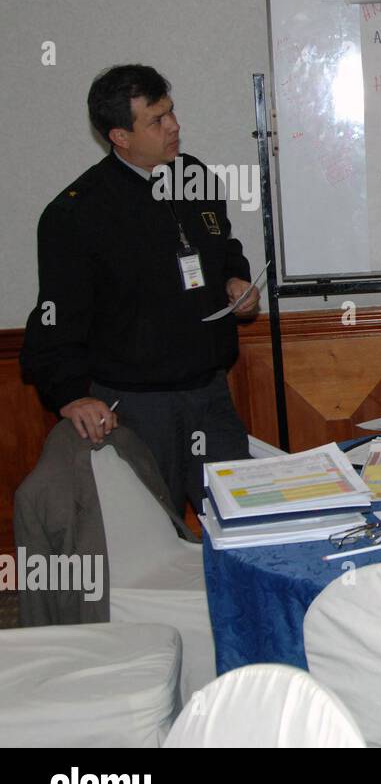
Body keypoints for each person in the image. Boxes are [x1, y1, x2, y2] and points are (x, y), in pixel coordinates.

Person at [21, 64, 258, 517]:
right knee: (154, 533)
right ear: (120, 137)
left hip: (209, 394)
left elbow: (224, 246)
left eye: (171, 112)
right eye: (157, 120)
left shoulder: (195, 178)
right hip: (135, 407)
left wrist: (235, 281)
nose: (174, 126)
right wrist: (72, 394)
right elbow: (55, 319)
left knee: (243, 519)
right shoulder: (77, 214)